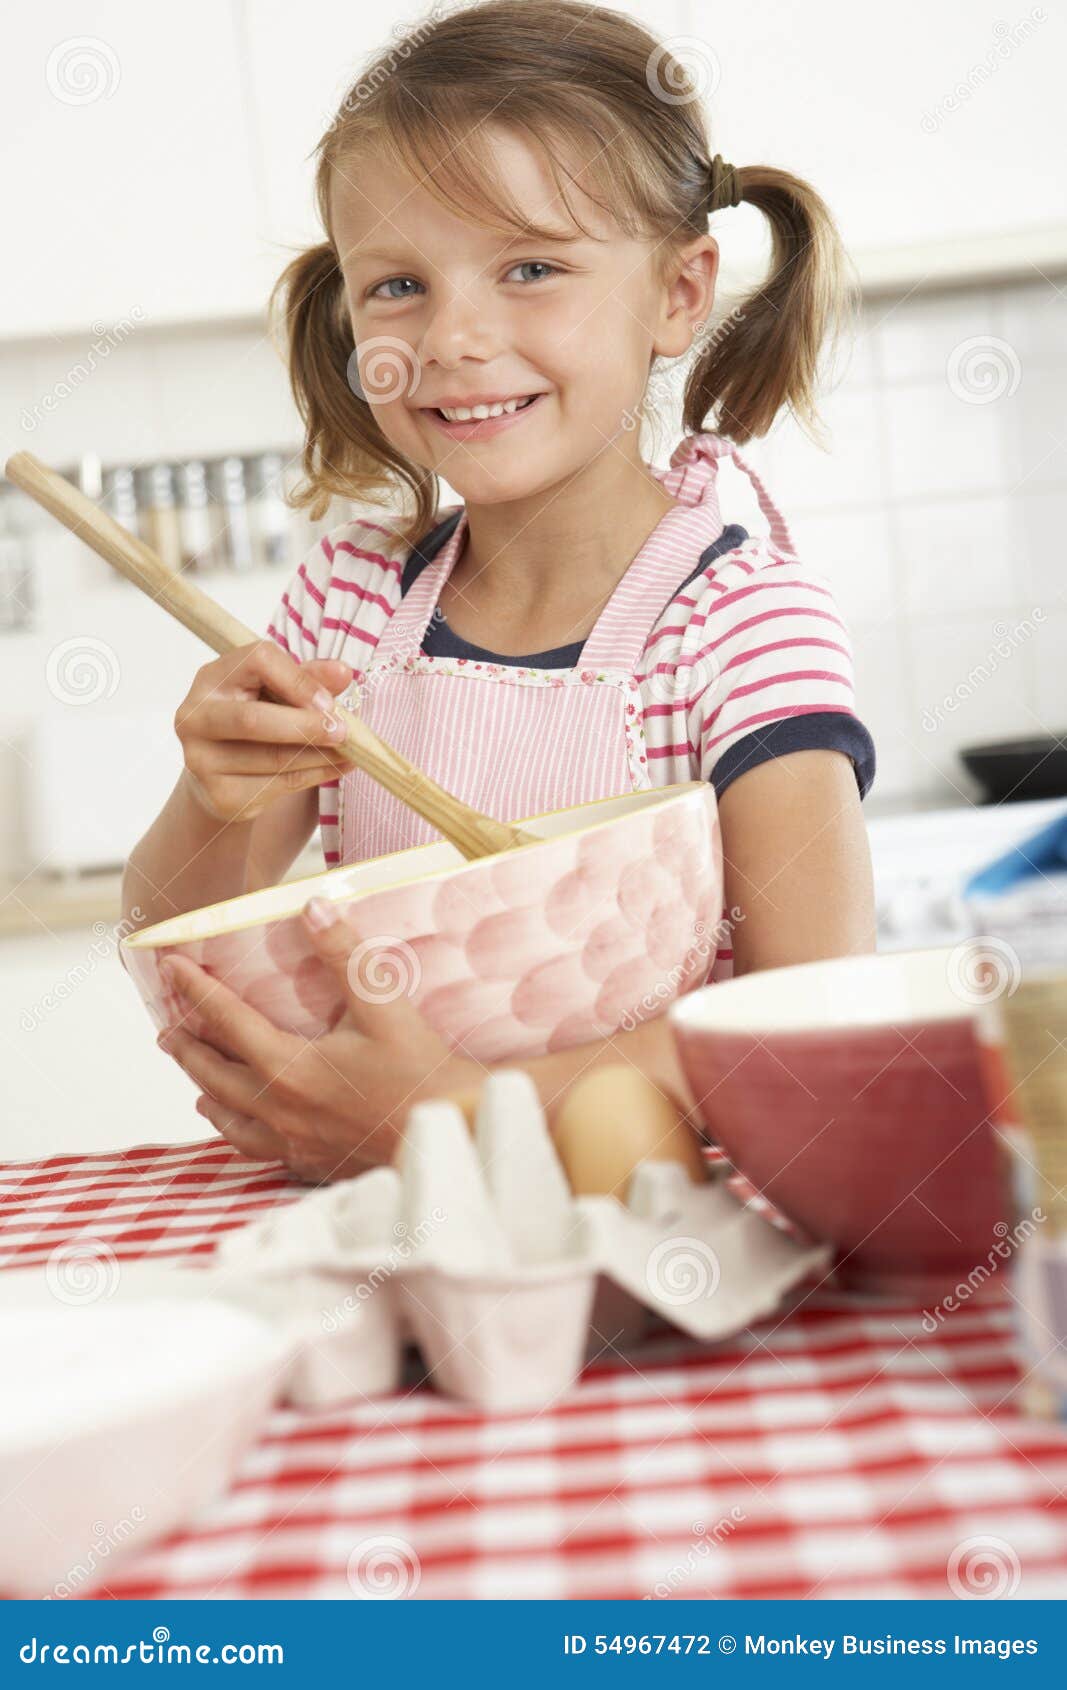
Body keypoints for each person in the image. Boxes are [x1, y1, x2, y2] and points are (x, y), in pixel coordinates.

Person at [123, 0, 876, 1183]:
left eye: (530, 268)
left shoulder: (738, 626)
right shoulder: (350, 600)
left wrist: (450, 1109)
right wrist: (213, 797)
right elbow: (168, 924)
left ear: (678, 293)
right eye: (397, 286)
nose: (453, 338)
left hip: (656, 1234)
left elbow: (811, 1015)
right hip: (388, 1215)